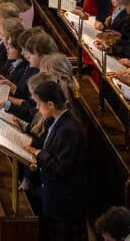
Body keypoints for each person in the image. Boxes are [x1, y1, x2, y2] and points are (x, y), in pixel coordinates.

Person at [22, 76, 85, 241]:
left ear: (50, 104)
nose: (37, 107)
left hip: (64, 201)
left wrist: (38, 153)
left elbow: (62, 167)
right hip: (52, 195)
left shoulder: (69, 129)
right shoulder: (56, 122)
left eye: (39, 104)